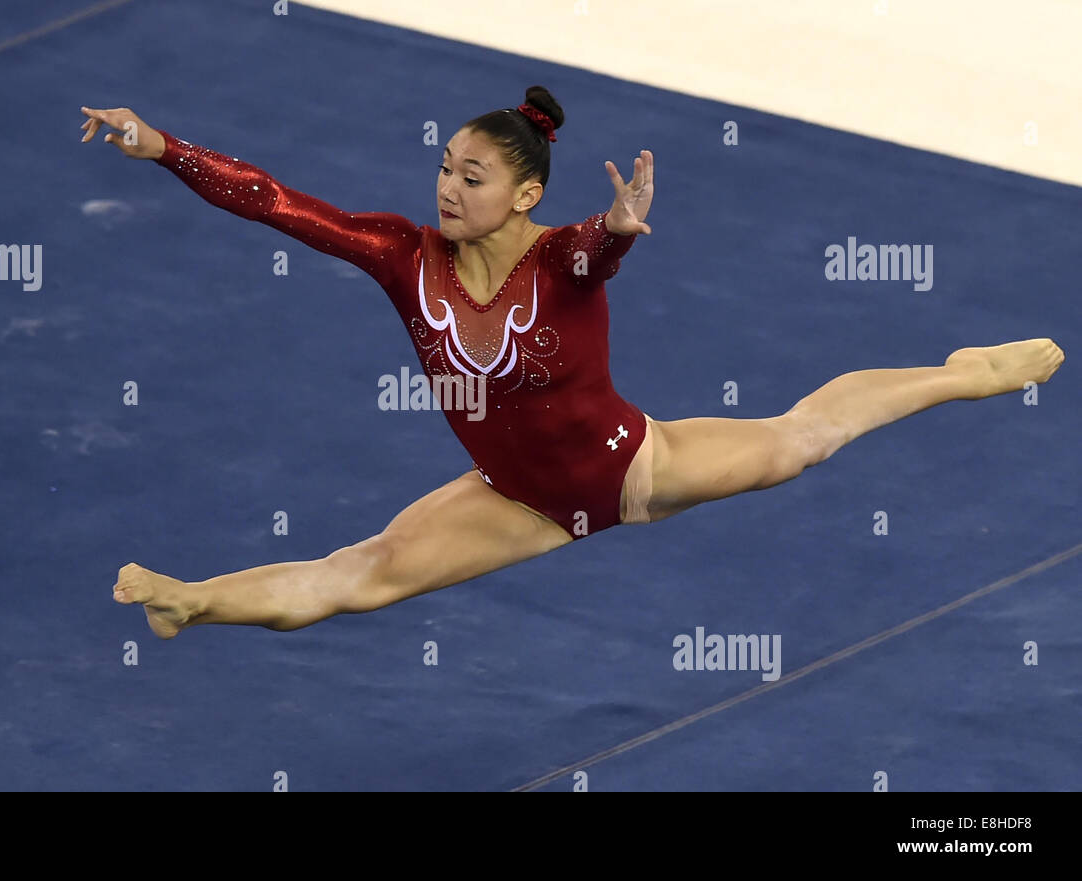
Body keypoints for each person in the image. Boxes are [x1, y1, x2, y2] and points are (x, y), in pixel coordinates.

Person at [79, 87, 1064, 637]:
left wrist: (621, 226)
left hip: (630, 469)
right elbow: (276, 201)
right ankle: (195, 597)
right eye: (444, 169)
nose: (449, 188)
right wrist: (164, 146)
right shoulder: (398, 255)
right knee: (360, 572)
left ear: (524, 194)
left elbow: (596, 251)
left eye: (474, 176)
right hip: (512, 495)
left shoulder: (562, 257)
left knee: (803, 437)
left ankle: (958, 369)